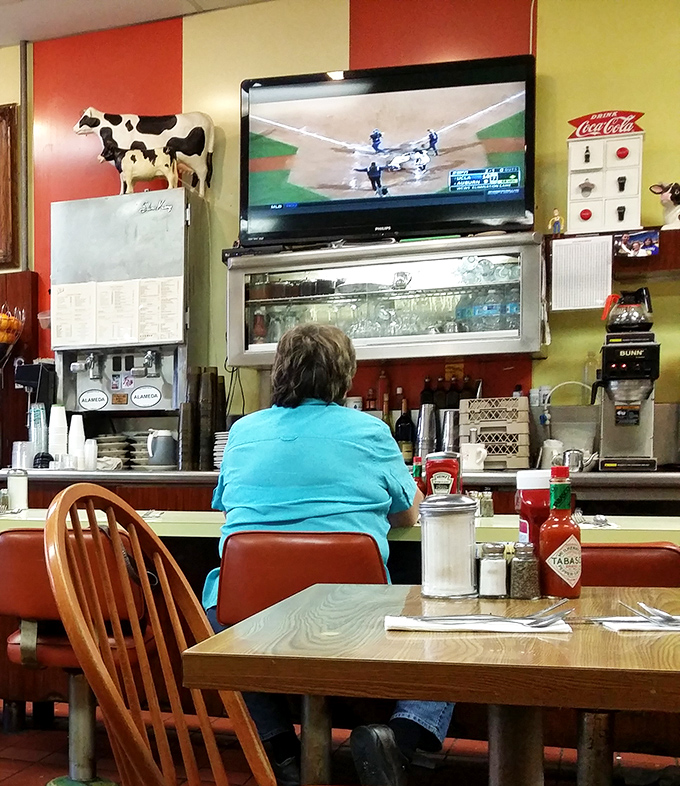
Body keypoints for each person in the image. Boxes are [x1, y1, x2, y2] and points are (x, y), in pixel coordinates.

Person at [203, 324, 454, 786]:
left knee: (217, 622)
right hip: (352, 614)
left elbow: (226, 505)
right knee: (446, 612)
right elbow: (408, 515)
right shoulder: (370, 431)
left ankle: (278, 746)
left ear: (280, 371)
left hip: (249, 614)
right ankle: (399, 741)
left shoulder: (242, 432)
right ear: (344, 376)